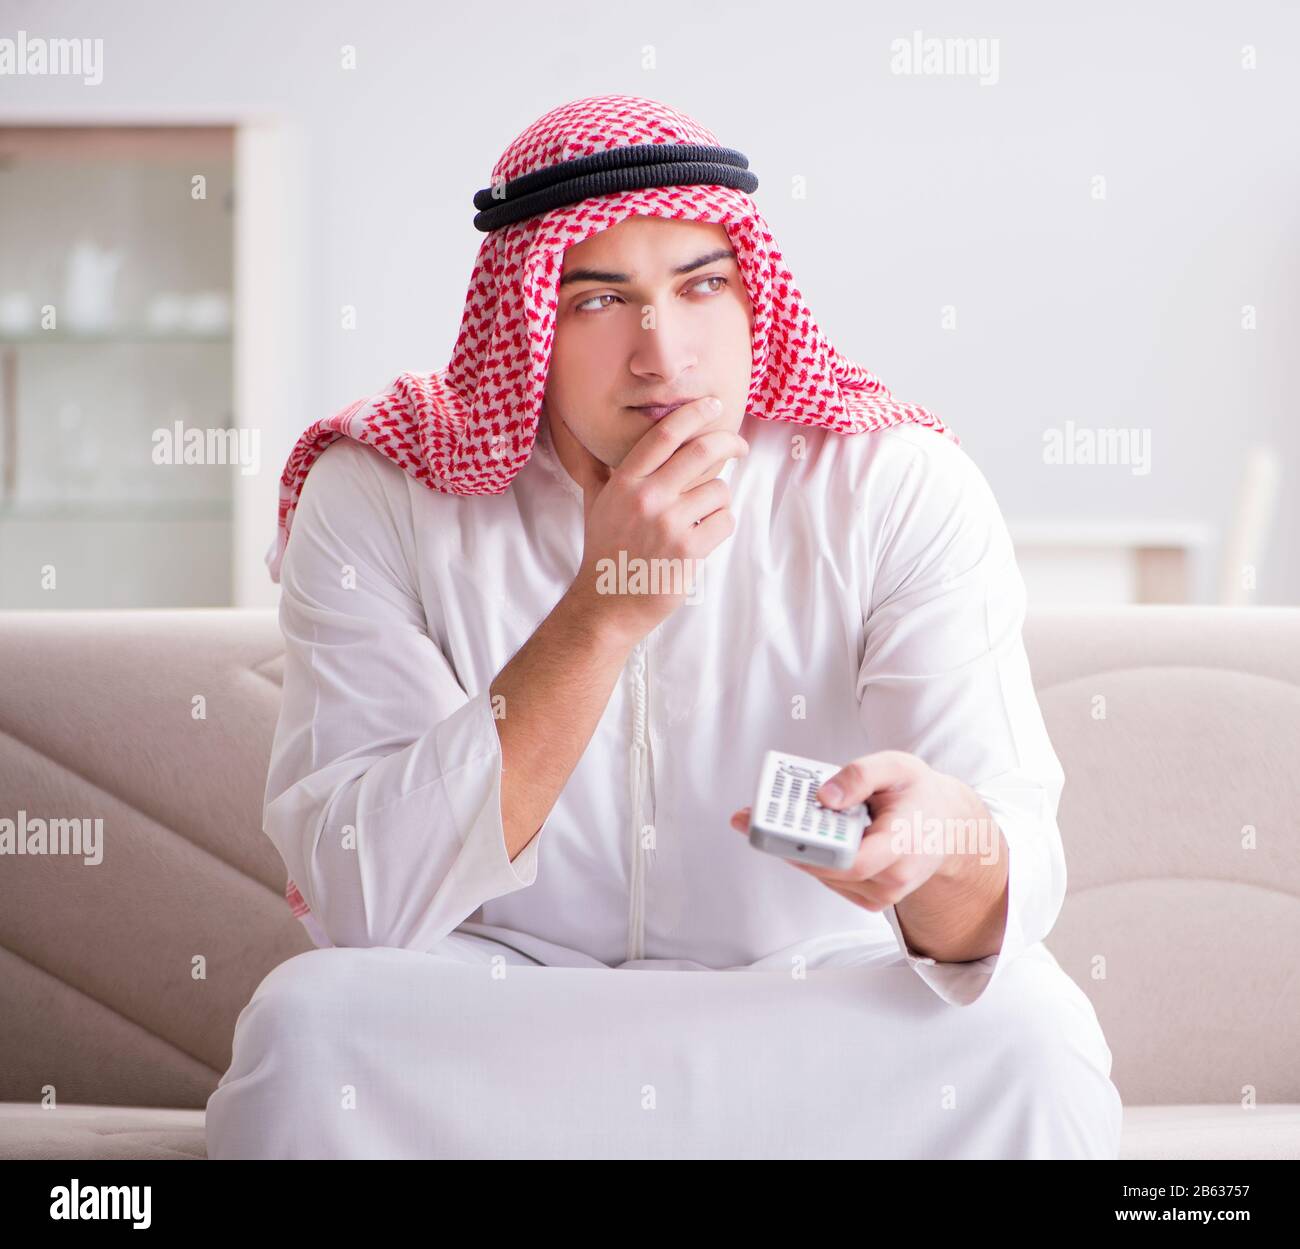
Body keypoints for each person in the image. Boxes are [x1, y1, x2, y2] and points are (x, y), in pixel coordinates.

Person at [205, 95, 1123, 1160]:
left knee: (1032, 1036)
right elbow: (364, 898)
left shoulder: (894, 485)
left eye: (700, 287)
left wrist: (938, 850)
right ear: (528, 320)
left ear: (751, 296)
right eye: (599, 301)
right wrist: (598, 613)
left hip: (811, 1009)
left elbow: (1004, 881)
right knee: (307, 1029)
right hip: (501, 1011)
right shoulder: (380, 494)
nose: (662, 353)